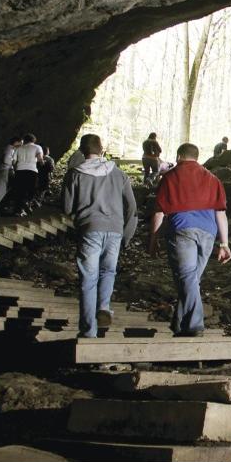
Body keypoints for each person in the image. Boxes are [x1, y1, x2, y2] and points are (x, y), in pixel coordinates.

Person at [149, 143, 231, 337]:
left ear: (179, 156)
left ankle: (194, 324)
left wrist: (153, 240)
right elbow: (221, 213)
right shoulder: (213, 179)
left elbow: (159, 213)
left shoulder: (170, 177)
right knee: (191, 281)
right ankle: (180, 325)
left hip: (182, 229)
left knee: (187, 279)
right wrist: (224, 243)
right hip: (208, 233)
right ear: (197, 157)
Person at [61, 134, 138, 339]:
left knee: (88, 278)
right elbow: (131, 206)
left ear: (82, 151)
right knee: (108, 271)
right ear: (101, 149)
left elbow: (67, 207)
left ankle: (89, 330)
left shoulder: (75, 174)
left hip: (90, 228)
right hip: (115, 229)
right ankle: (103, 306)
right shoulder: (119, 174)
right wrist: (127, 233)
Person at [12, 133, 44, 215]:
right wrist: (42, 162)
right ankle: (26, 202)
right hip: (31, 170)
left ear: (25, 140)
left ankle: (18, 211)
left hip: (20, 170)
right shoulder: (37, 147)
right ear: (34, 140)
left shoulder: (18, 148)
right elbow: (39, 157)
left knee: (19, 190)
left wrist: (16, 169)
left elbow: (14, 161)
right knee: (31, 189)